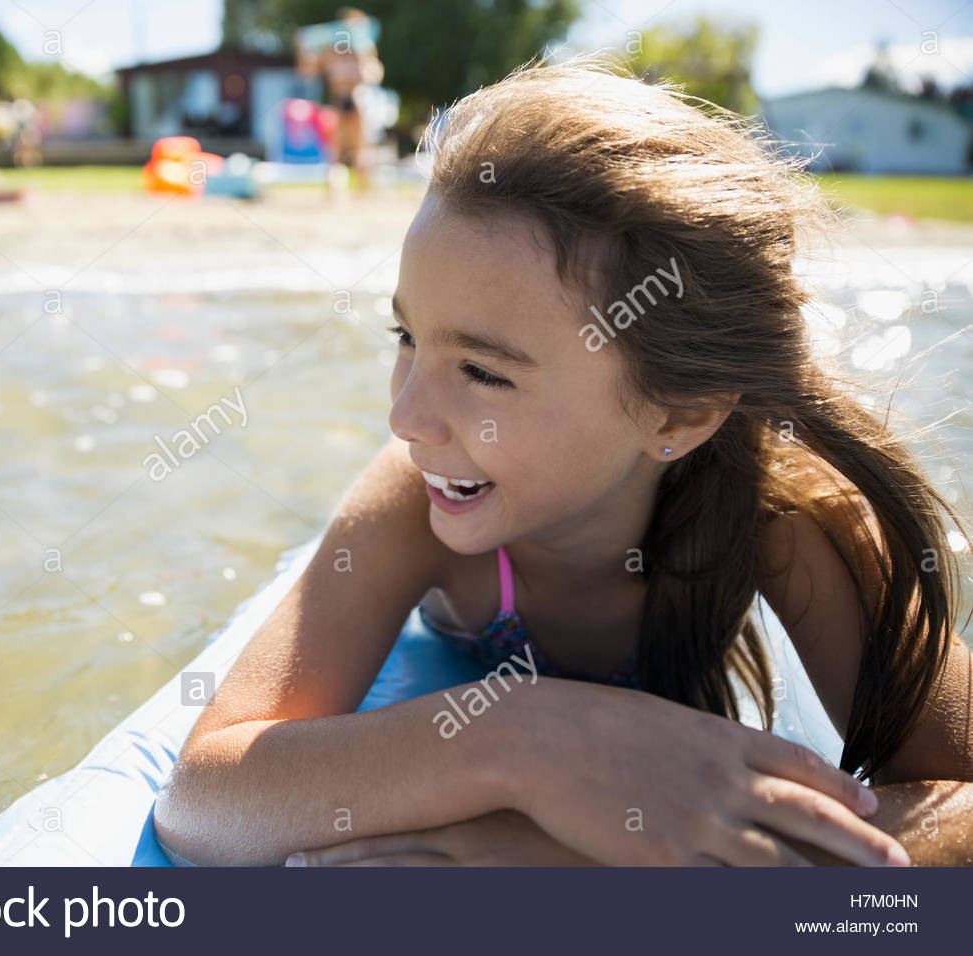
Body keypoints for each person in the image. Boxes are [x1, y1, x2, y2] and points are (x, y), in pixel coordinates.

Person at [153, 56, 973, 866]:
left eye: (482, 372)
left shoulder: (787, 517)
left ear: (681, 413)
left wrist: (543, 851)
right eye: (407, 337)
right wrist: (520, 736)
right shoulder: (415, 508)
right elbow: (202, 801)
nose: (403, 419)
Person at [295, 8, 385, 191]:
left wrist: (364, 65)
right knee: (334, 149)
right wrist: (301, 48)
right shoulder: (330, 52)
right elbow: (307, 71)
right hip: (339, 100)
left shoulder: (364, 51)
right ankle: (335, 191)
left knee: (361, 149)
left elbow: (375, 73)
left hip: (357, 99)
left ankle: (363, 192)